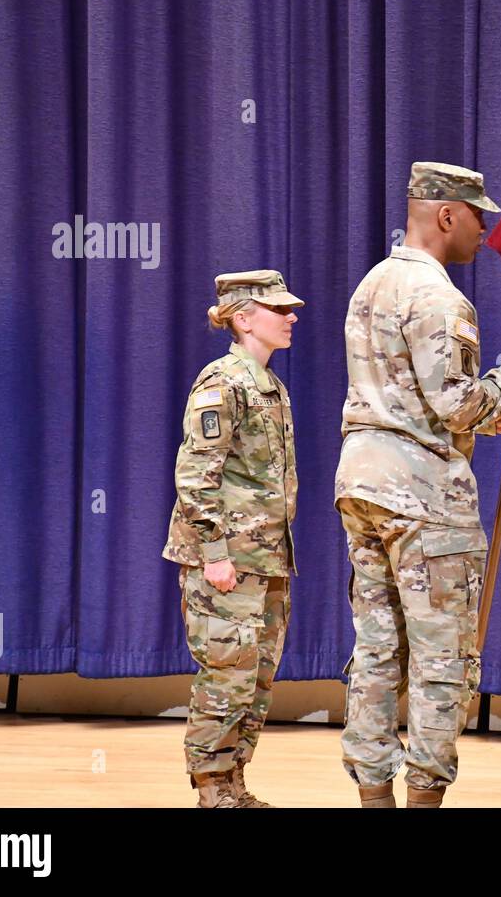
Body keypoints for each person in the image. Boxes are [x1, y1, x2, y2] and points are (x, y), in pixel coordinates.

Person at [335, 161, 501, 808]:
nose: (486, 229)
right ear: (447, 215)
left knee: (376, 653)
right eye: (479, 215)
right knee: (441, 661)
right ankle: (422, 801)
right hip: (423, 499)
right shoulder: (441, 299)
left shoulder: (370, 285)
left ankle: (373, 799)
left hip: (363, 483)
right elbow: (455, 406)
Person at [163, 269, 304, 808]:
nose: (291, 317)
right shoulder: (223, 382)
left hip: (265, 560)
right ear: (243, 317)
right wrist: (215, 554)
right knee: (225, 680)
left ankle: (234, 783)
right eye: (279, 310)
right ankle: (211, 788)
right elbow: (197, 475)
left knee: (256, 683)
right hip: (227, 563)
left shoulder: (268, 384)